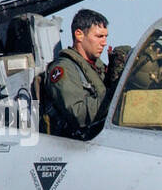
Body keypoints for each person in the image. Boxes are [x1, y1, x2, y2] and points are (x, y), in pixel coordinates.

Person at [44, 9, 129, 138]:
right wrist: (115, 96)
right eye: (99, 36)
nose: (104, 42)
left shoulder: (98, 68)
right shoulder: (63, 69)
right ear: (79, 34)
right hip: (75, 146)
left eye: (105, 37)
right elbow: (78, 114)